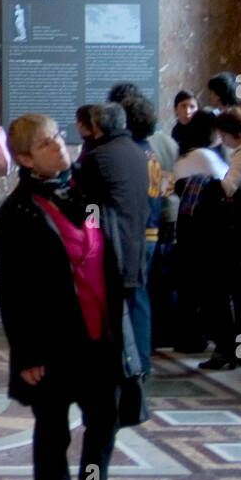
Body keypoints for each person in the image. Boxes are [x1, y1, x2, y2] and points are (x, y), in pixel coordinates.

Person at [0, 113, 135, 480]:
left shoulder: (86, 195)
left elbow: (110, 257)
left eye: (59, 138)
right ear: (25, 159)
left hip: (102, 335)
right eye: (47, 144)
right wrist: (27, 355)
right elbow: (15, 294)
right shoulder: (16, 213)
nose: (60, 147)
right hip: (54, 344)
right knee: (54, 433)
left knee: (103, 423)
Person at [75, 102, 151, 378]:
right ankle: (141, 363)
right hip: (136, 239)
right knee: (138, 303)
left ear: (97, 127)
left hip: (112, 244)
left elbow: (84, 201)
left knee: (116, 313)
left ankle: (123, 368)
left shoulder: (99, 156)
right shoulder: (137, 151)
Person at [205, 108, 241, 369]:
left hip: (239, 235)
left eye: (224, 134)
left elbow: (228, 187)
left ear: (235, 133)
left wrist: (212, 182)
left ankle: (236, 350)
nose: (223, 140)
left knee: (237, 294)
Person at [170, 111, 228, 353]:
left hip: (187, 234)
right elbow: (228, 182)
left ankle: (191, 339)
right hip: (207, 234)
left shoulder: (185, 156)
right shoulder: (205, 156)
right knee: (212, 292)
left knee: (190, 291)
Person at [124, 96, 175, 366]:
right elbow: (167, 189)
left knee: (133, 297)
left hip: (135, 232)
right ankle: (141, 357)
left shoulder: (130, 153)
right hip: (153, 229)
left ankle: (136, 359)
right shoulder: (151, 153)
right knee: (140, 295)